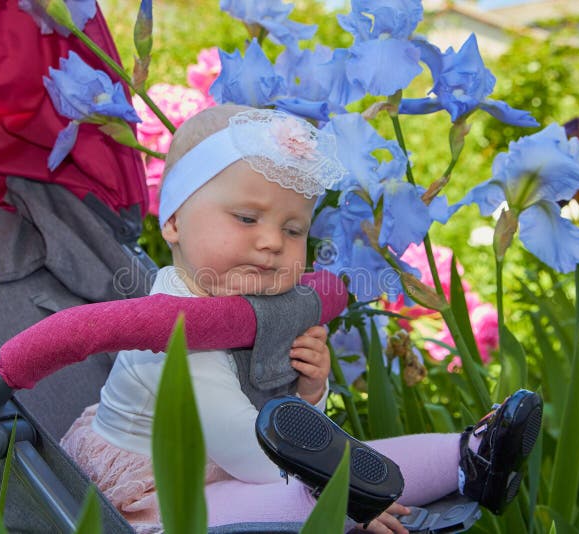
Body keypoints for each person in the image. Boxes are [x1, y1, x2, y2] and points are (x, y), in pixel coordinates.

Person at [61, 104, 542, 534]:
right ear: (173, 222)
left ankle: (470, 457)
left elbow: (287, 427)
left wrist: (308, 390)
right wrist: (346, 493)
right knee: (316, 489)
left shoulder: (260, 308)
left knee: (354, 463)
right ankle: (346, 512)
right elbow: (256, 456)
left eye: (294, 230)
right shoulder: (174, 333)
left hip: (235, 465)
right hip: (156, 496)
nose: (272, 242)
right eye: (247, 218)